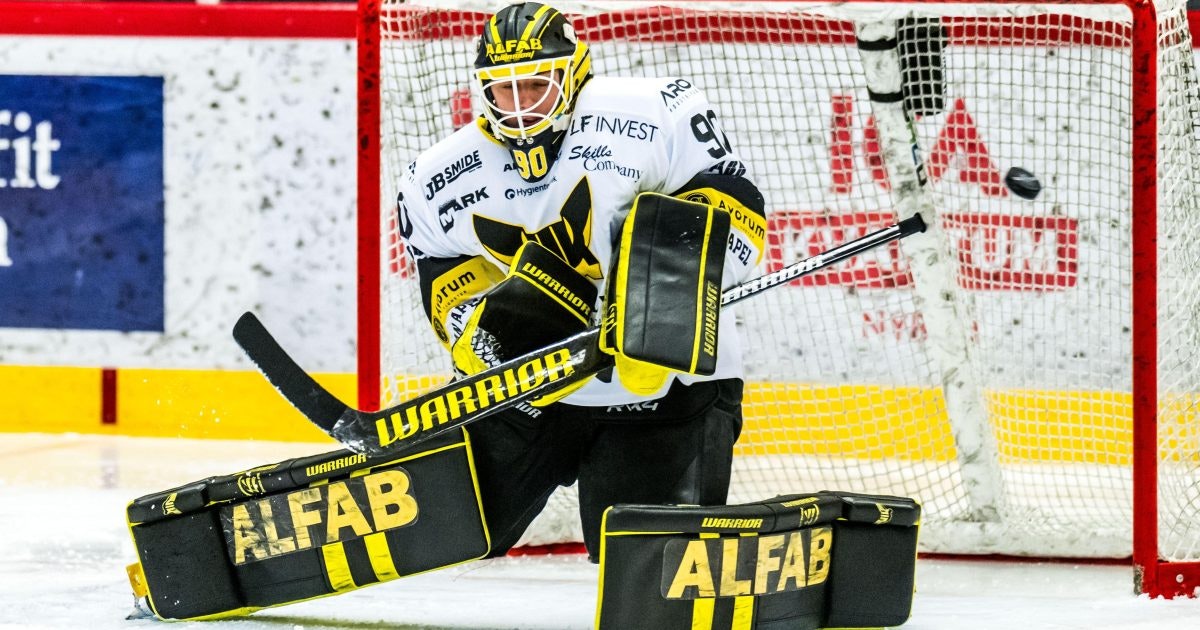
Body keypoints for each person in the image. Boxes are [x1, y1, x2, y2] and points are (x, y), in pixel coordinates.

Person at [394, 1, 767, 561]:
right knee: (439, 536)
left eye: (535, 86)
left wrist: (660, 305)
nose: (518, 107)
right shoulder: (435, 175)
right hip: (535, 392)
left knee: (644, 567)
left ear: (572, 75)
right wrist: (483, 338)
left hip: (665, 394)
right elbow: (443, 281)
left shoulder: (655, 113)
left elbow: (740, 216)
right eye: (503, 90)